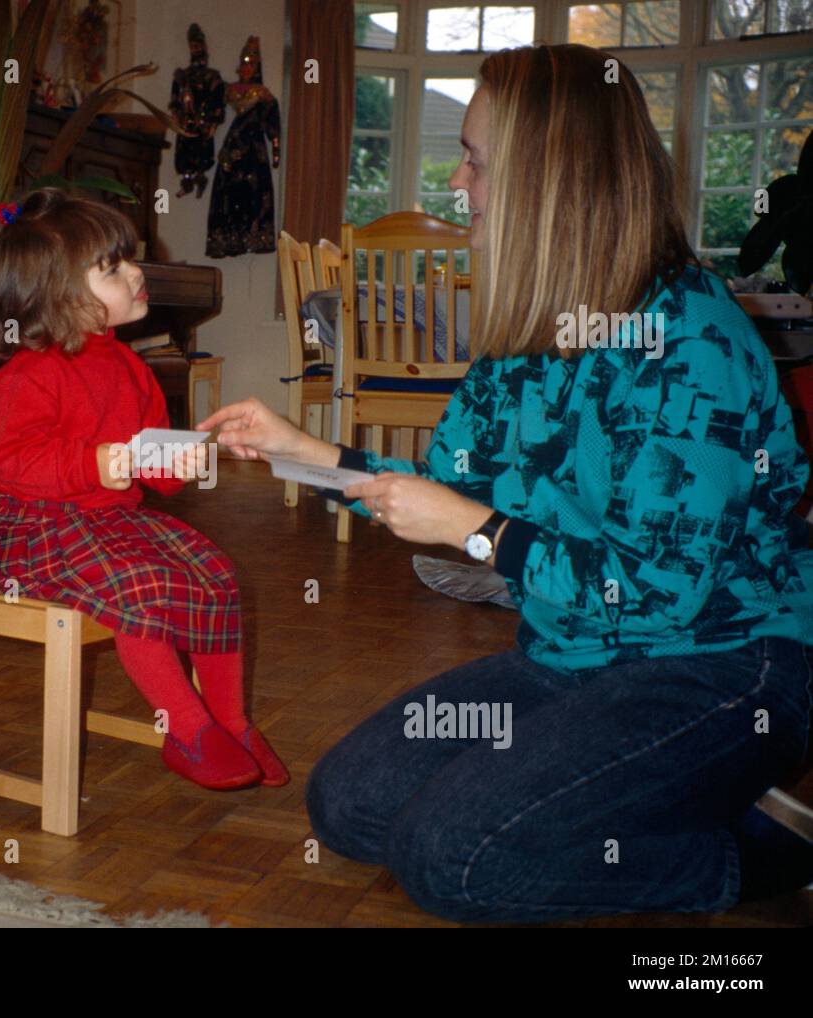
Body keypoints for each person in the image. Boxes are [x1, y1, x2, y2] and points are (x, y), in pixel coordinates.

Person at [199, 43, 813, 922]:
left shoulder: (692, 343)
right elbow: (443, 482)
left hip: (722, 665)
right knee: (351, 801)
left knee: (455, 860)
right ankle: (628, 793)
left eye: (477, 160)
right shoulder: (532, 329)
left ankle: (750, 855)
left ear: (550, 179)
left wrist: (479, 531)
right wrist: (310, 452)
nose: (459, 181)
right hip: (573, 660)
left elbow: (656, 595)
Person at [0, 188, 289, 791]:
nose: (136, 272)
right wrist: (96, 462)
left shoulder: (131, 368)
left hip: (110, 526)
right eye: (113, 267)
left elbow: (151, 466)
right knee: (141, 587)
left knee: (216, 574)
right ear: (56, 293)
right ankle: (186, 728)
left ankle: (230, 724)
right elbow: (12, 464)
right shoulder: (26, 373)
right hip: (37, 529)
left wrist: (185, 458)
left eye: (130, 260)